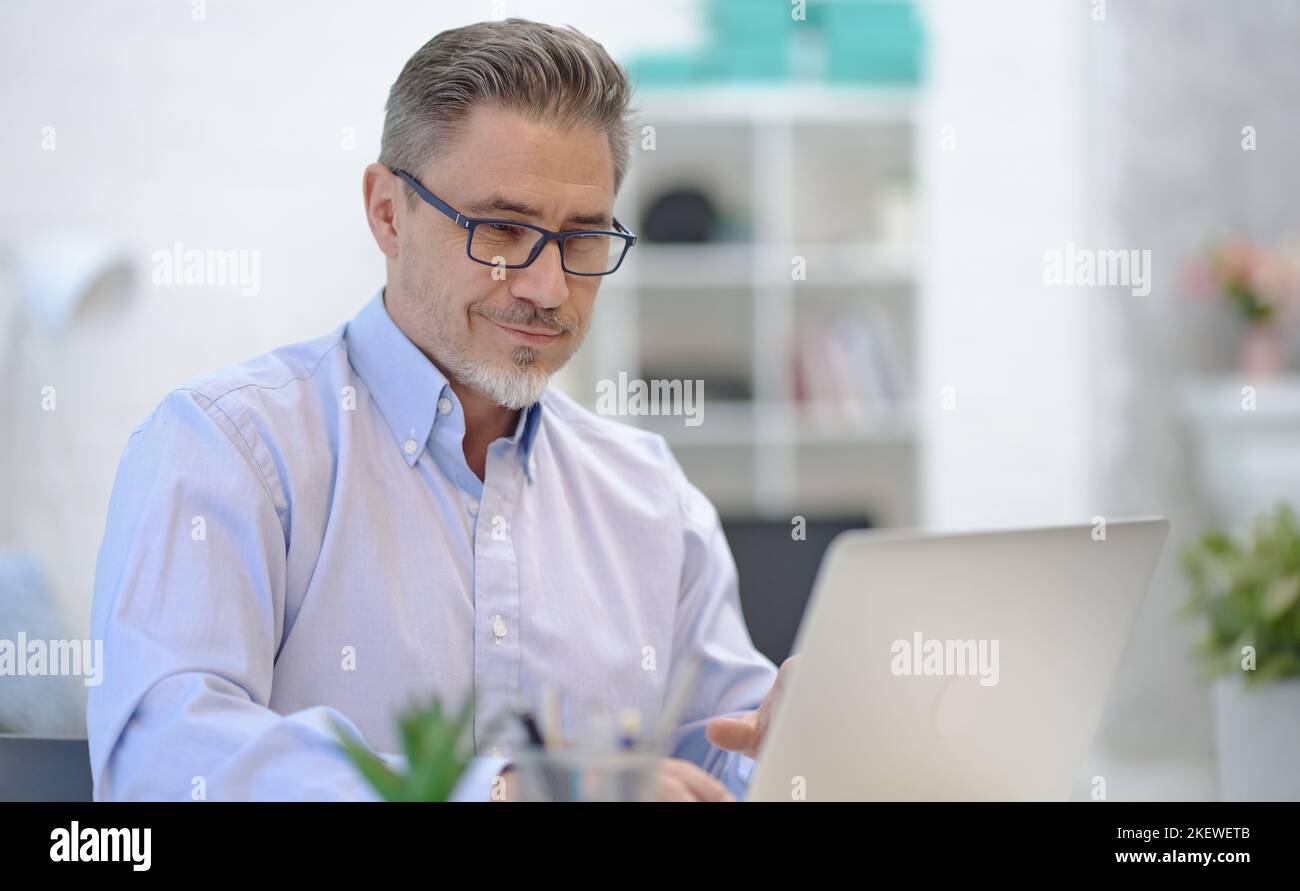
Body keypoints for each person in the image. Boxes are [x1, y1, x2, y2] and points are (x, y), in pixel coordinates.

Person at [88, 18, 793, 802]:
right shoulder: (228, 449)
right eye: (501, 229)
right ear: (388, 212)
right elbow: (161, 759)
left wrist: (799, 740)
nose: (546, 287)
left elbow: (729, 749)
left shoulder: (652, 495)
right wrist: (507, 791)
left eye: (583, 238)